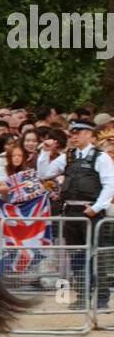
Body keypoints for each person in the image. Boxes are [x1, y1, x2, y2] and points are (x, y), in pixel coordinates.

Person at [59, 120, 114, 309]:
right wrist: (45, 152)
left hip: (90, 212)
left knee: (96, 256)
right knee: (77, 256)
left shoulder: (101, 157)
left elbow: (109, 185)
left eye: (79, 132)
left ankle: (101, 297)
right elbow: (46, 171)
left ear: (90, 135)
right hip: (71, 213)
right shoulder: (68, 156)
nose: (74, 136)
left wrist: (97, 207)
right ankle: (82, 296)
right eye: (72, 133)